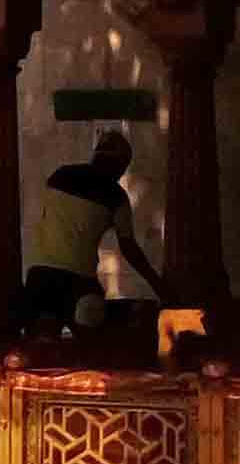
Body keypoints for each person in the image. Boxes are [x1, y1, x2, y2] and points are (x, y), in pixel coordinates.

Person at [19, 127, 163, 335]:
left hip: (38, 276)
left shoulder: (58, 176)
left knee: (40, 339)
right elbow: (129, 248)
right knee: (94, 326)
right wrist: (157, 284)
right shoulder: (116, 196)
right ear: (120, 164)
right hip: (77, 283)